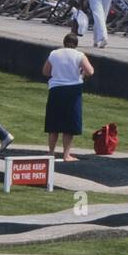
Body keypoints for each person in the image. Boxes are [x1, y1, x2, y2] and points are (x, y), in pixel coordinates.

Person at [43, 33, 94, 161]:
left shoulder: (54, 54)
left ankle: (50, 153)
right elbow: (90, 71)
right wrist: (81, 75)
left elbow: (45, 72)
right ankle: (66, 154)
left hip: (56, 90)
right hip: (72, 91)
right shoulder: (79, 55)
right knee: (69, 124)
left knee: (53, 123)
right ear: (76, 44)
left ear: (64, 42)